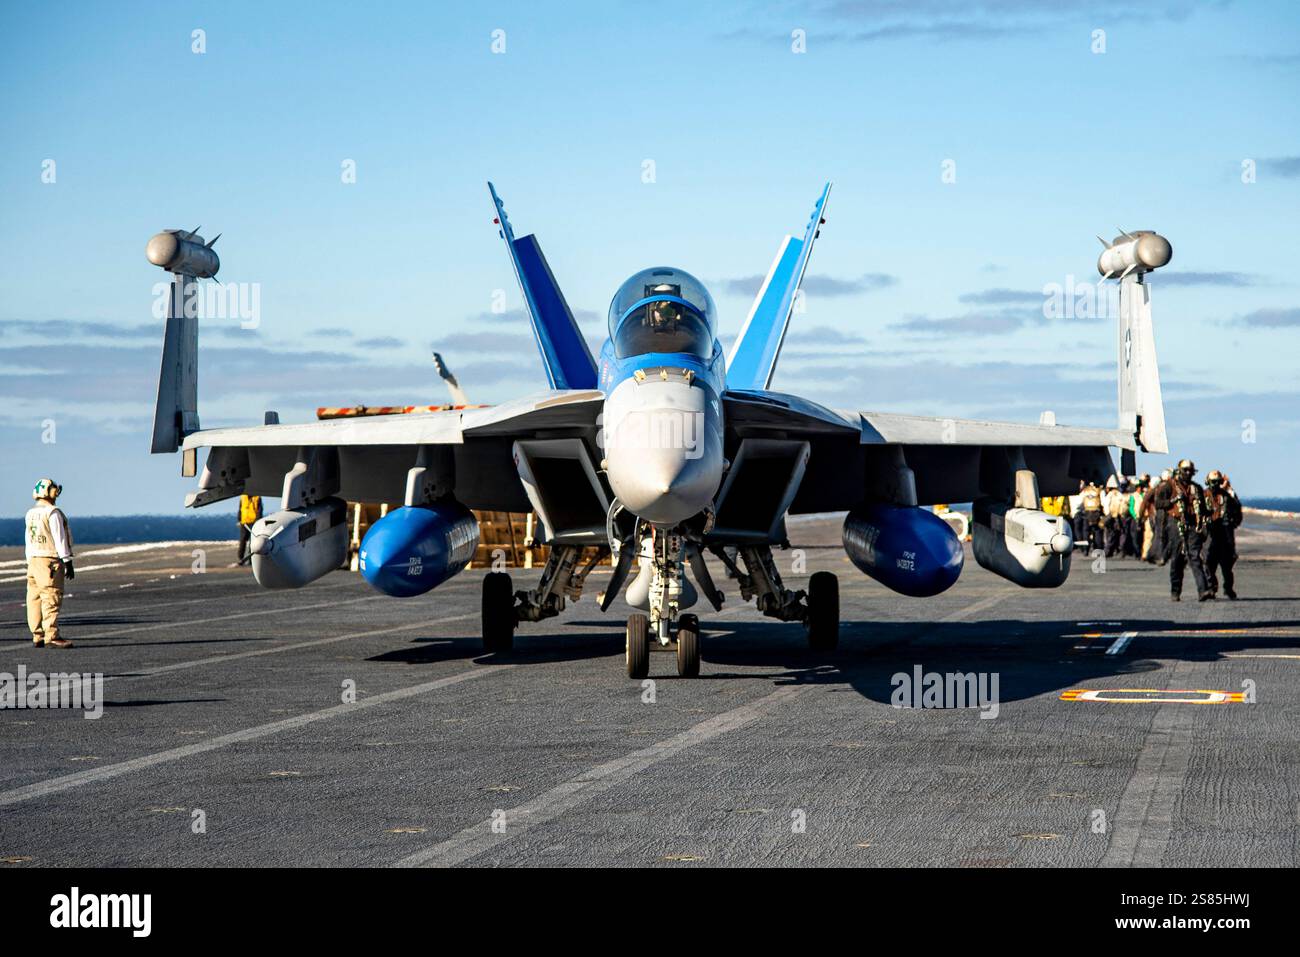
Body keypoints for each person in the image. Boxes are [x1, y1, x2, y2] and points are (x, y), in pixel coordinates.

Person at [25, 478, 74, 648]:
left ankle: (37, 634)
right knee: (51, 598)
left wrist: (29, 561)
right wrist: (67, 561)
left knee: (34, 599)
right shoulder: (52, 512)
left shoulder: (30, 513)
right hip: (49, 561)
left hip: (33, 560)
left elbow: (28, 540)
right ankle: (52, 635)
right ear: (49, 491)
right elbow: (59, 538)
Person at [1164, 459, 1212, 602]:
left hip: (1192, 526)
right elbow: (1159, 503)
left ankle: (1203, 590)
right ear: (1179, 471)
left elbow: (1202, 508)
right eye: (1185, 470)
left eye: (1190, 471)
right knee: (1177, 560)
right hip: (1176, 525)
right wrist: (1172, 501)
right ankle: (1175, 591)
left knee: (1195, 558)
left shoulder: (1196, 488)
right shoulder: (1169, 486)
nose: (1188, 473)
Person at [1203, 469, 1242, 599]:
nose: (1215, 484)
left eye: (1217, 482)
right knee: (1209, 564)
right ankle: (1211, 588)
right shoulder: (1203, 496)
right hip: (1209, 535)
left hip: (1224, 536)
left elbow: (1237, 510)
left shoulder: (1226, 496)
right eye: (1213, 482)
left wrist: (1233, 523)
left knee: (1226, 566)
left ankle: (1228, 589)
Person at [1079, 480, 1104, 553]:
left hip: (1087, 511)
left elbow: (1081, 501)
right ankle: (1097, 548)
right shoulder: (1099, 489)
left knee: (1086, 531)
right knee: (1097, 531)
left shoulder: (1085, 490)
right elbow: (1103, 501)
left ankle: (1086, 549)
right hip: (1096, 512)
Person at [238, 493, 262, 565]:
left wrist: (257, 522)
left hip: (253, 522)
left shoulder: (257, 497)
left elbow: (259, 510)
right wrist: (239, 519)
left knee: (252, 542)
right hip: (244, 522)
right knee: (243, 540)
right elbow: (240, 509)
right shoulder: (243, 497)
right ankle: (240, 558)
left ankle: (251, 560)